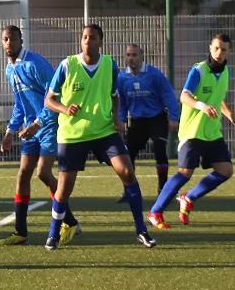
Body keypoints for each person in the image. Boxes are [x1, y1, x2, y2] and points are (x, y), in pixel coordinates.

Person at [44, 23, 157, 250]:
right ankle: (53, 233)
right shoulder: (67, 65)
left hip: (104, 131)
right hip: (73, 134)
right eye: (84, 37)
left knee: (127, 171)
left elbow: (114, 95)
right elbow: (49, 100)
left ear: (100, 42)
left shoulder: (109, 65)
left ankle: (141, 230)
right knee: (64, 187)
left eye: (92, 37)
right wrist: (65, 109)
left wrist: (116, 117)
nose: (87, 40)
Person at [147, 33, 235, 228]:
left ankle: (188, 198)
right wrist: (201, 105)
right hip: (192, 131)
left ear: (229, 52)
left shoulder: (225, 72)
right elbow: (184, 96)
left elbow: (219, 99)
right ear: (210, 48)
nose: (219, 52)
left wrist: (232, 117)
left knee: (226, 170)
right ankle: (155, 211)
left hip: (212, 132)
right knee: (185, 172)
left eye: (223, 49)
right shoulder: (198, 71)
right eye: (216, 48)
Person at [0, 25, 81, 246]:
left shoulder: (36, 64)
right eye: (5, 39)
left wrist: (38, 123)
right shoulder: (9, 69)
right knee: (23, 174)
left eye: (12, 39)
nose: (8, 43)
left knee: (43, 173)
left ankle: (69, 220)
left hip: (49, 125)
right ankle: (20, 232)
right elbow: (19, 104)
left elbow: (55, 96)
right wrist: (9, 132)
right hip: (30, 129)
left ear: (20, 40)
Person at [117, 44, 180, 200]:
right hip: (137, 122)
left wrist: (174, 117)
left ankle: (164, 191)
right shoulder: (122, 78)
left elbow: (168, 95)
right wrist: (121, 119)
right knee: (127, 154)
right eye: (128, 55)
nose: (131, 58)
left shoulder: (154, 75)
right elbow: (122, 101)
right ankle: (129, 192)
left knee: (159, 150)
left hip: (156, 119)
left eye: (134, 55)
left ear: (141, 56)